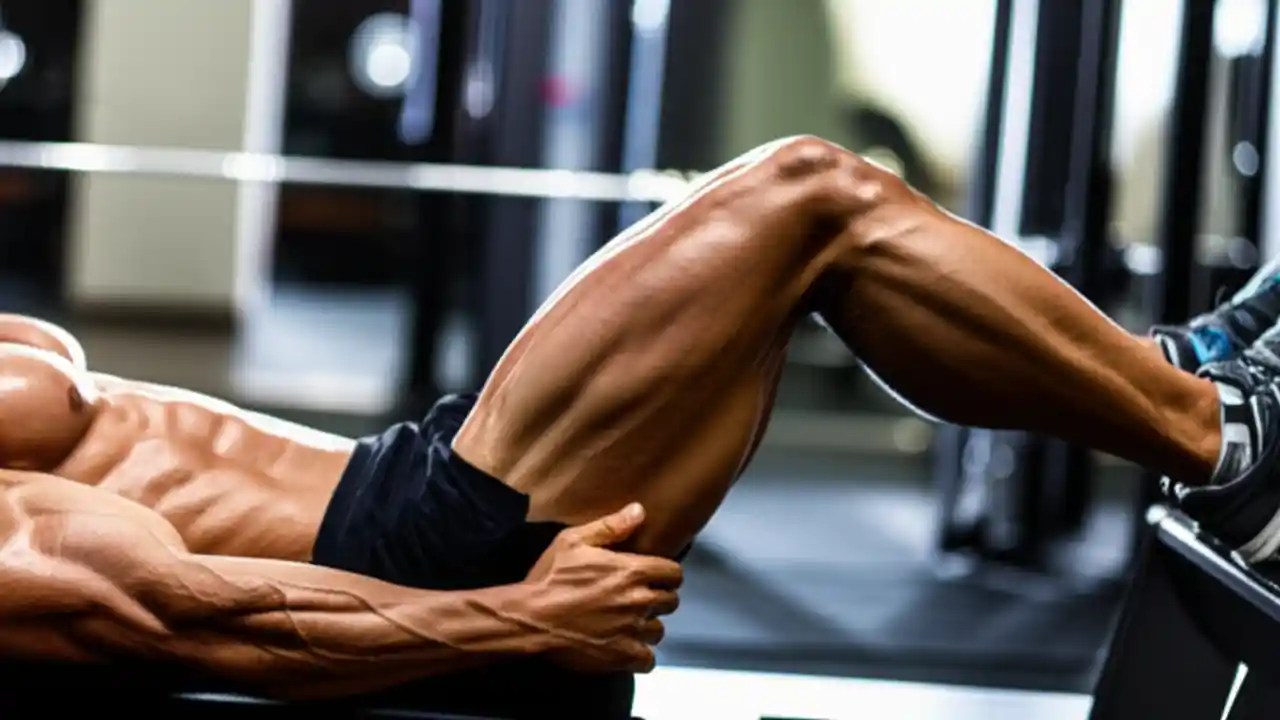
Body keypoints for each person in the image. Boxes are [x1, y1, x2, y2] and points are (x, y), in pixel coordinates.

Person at [4, 135, 1280, 717]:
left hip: (416, 491)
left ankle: (1168, 382)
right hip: (429, 556)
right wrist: (520, 618)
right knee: (806, 198)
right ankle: (1219, 439)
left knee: (804, 241)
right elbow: (174, 618)